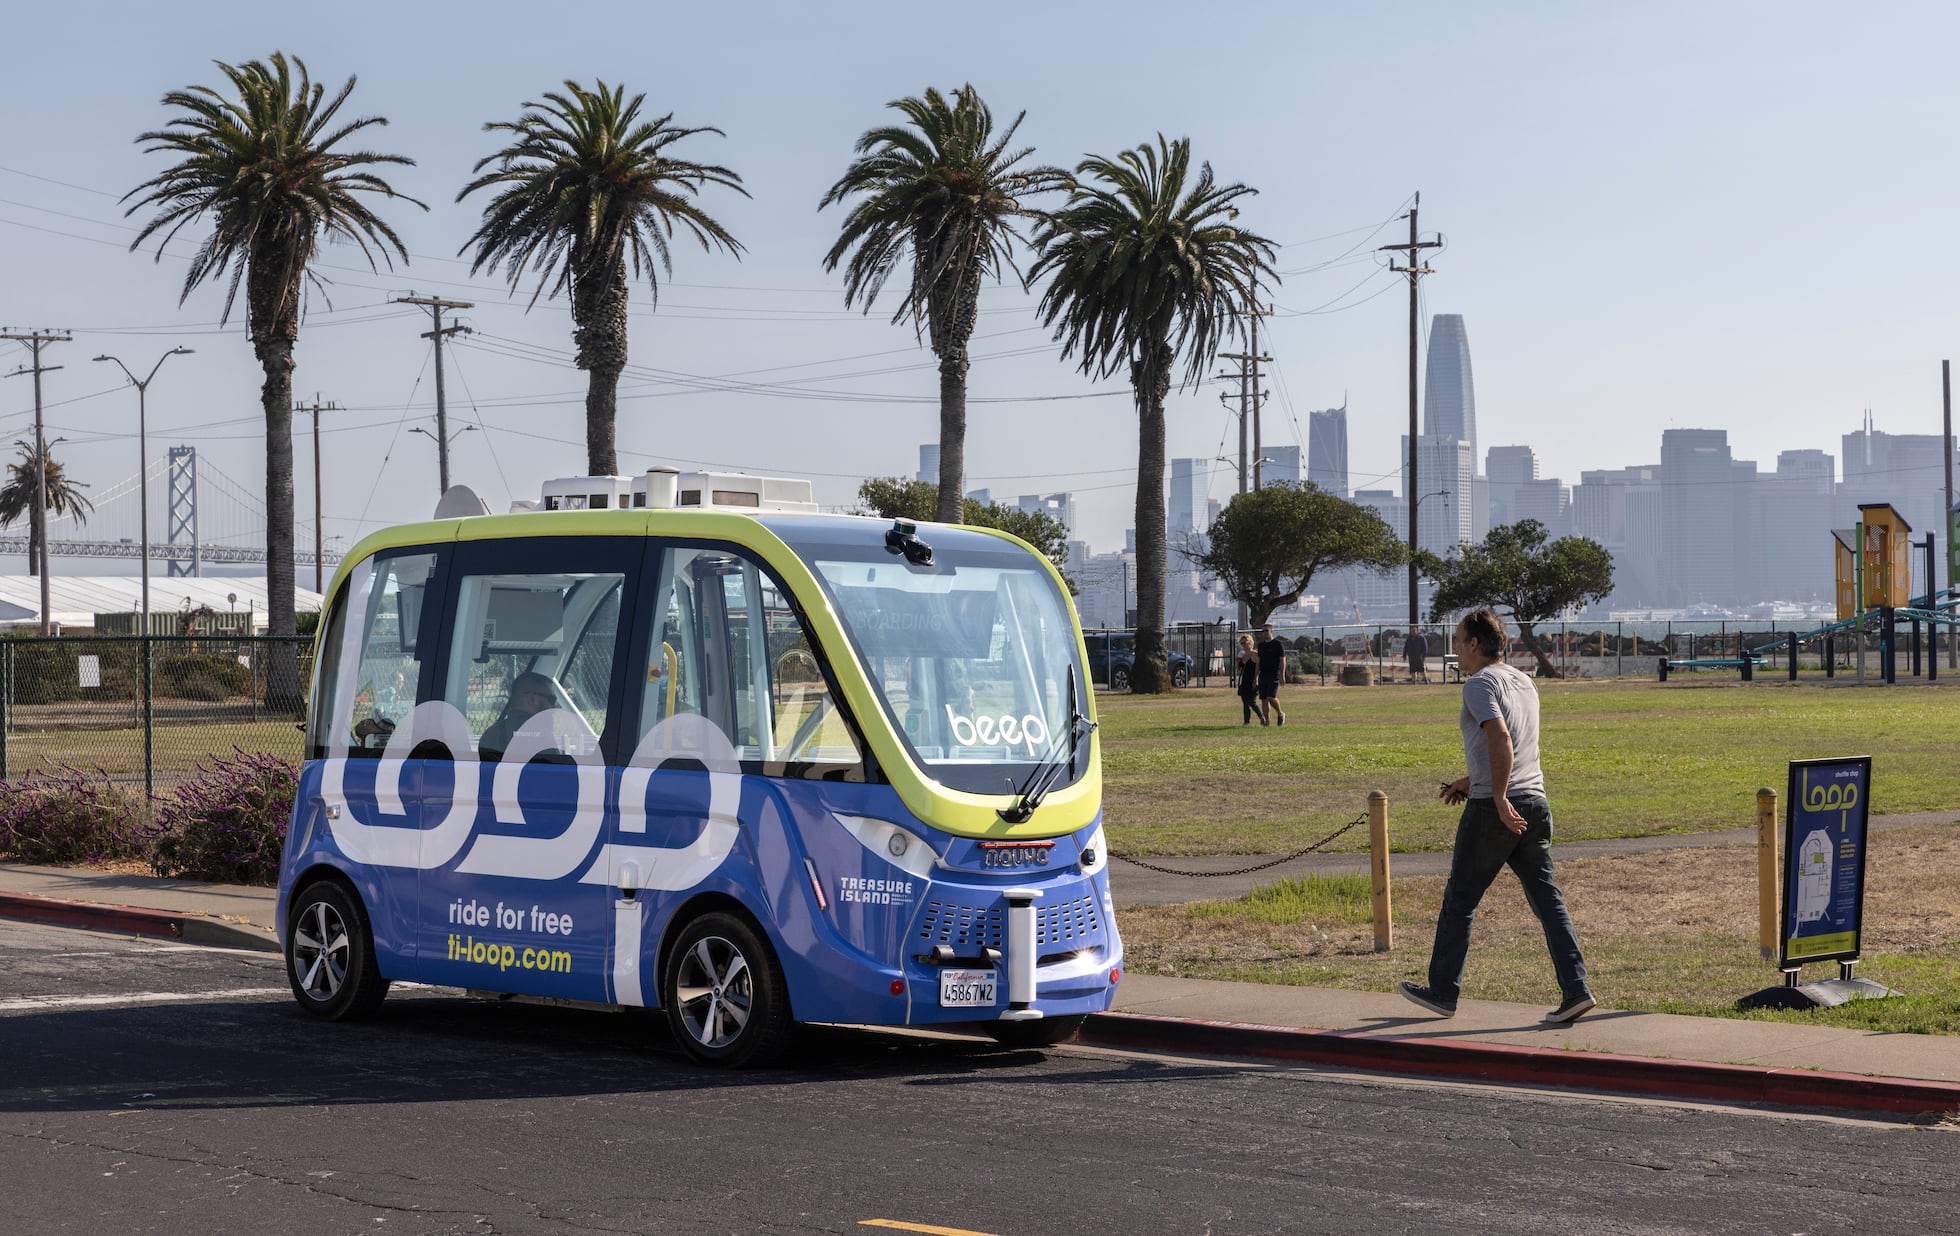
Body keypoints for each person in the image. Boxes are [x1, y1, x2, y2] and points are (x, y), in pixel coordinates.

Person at [1399, 607, 1596, 1025]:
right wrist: (1468, 780)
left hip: (1496, 809)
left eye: (1457, 640)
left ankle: (1442, 992)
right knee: (1547, 900)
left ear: (1474, 643)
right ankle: (1576, 989)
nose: (1455, 648)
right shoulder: (1524, 681)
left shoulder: (1478, 684)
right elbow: (1516, 748)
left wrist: (1498, 797)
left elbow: (1502, 738)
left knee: (1460, 899)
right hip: (1536, 804)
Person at [479, 671, 559, 757]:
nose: (554, 707)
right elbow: (556, 769)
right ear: (532, 699)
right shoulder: (542, 738)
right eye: (551, 699)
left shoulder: (490, 734)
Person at [1255, 623, 1287, 727]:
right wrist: (1255, 677)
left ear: (1271, 631)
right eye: (1262, 631)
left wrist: (1282, 675)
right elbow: (1258, 662)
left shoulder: (1277, 644)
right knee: (1264, 699)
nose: (1264, 633)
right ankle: (1267, 722)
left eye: (1266, 631)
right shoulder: (1261, 645)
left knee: (1271, 697)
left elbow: (1283, 660)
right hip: (1263, 675)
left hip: (1274, 675)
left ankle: (1280, 713)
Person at [1234, 632, 1263, 726]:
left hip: (1252, 680)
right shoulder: (1242, 654)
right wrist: (1238, 662)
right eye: (1242, 643)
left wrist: (1256, 679)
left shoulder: (1255, 654)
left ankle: (1262, 717)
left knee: (1252, 702)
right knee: (1245, 702)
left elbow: (1258, 668)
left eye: (1245, 643)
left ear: (1250, 642)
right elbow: (1239, 668)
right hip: (1244, 680)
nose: (1243, 645)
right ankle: (1246, 721)